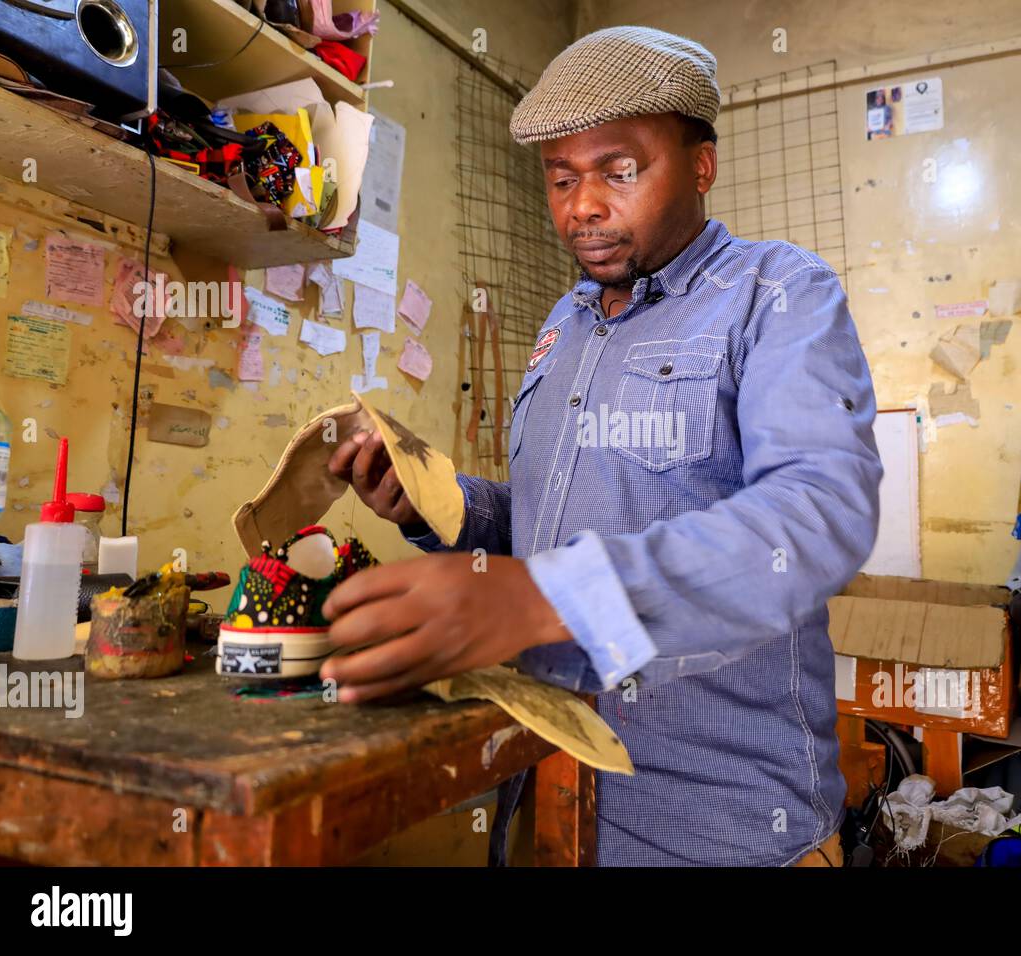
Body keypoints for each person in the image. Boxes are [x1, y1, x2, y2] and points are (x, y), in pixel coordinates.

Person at [322, 26, 883, 866]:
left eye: (620, 171)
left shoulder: (779, 294)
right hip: (548, 793)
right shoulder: (566, 323)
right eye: (560, 177)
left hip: (719, 824)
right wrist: (448, 510)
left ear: (701, 166)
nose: (582, 204)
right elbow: (562, 516)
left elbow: (818, 513)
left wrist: (550, 599)